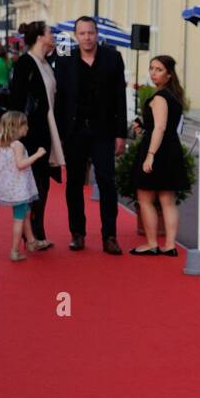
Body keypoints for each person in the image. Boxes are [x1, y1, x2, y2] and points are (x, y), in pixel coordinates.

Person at [53, 16, 127, 254]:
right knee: (74, 183)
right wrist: (59, 134)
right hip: (74, 131)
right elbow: (60, 99)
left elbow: (120, 98)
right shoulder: (65, 59)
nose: (87, 37)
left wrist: (120, 134)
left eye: (90, 33)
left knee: (106, 181)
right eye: (82, 33)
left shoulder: (113, 57)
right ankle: (77, 234)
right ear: (76, 36)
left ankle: (110, 236)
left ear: (97, 34)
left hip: (103, 131)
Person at [5, 21, 64, 251]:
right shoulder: (25, 64)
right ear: (40, 37)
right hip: (31, 133)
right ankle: (33, 236)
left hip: (45, 130)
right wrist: (17, 137)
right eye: (50, 33)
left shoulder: (46, 64)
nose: (54, 36)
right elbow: (16, 101)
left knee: (41, 183)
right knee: (35, 184)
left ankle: (35, 234)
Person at [129, 55, 188, 256]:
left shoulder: (160, 97)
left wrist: (150, 155)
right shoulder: (174, 97)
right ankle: (170, 245)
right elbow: (161, 126)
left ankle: (152, 243)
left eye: (159, 69)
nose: (153, 73)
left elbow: (160, 127)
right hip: (171, 148)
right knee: (167, 200)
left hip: (158, 150)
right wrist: (144, 128)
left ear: (169, 75)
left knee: (145, 198)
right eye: (152, 68)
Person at [0, 111, 45, 261]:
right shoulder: (18, 145)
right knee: (19, 218)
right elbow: (20, 164)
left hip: (11, 187)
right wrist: (37, 154)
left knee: (26, 213)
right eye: (25, 125)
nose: (28, 128)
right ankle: (14, 250)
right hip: (18, 189)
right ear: (17, 127)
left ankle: (31, 242)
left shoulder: (5, 143)